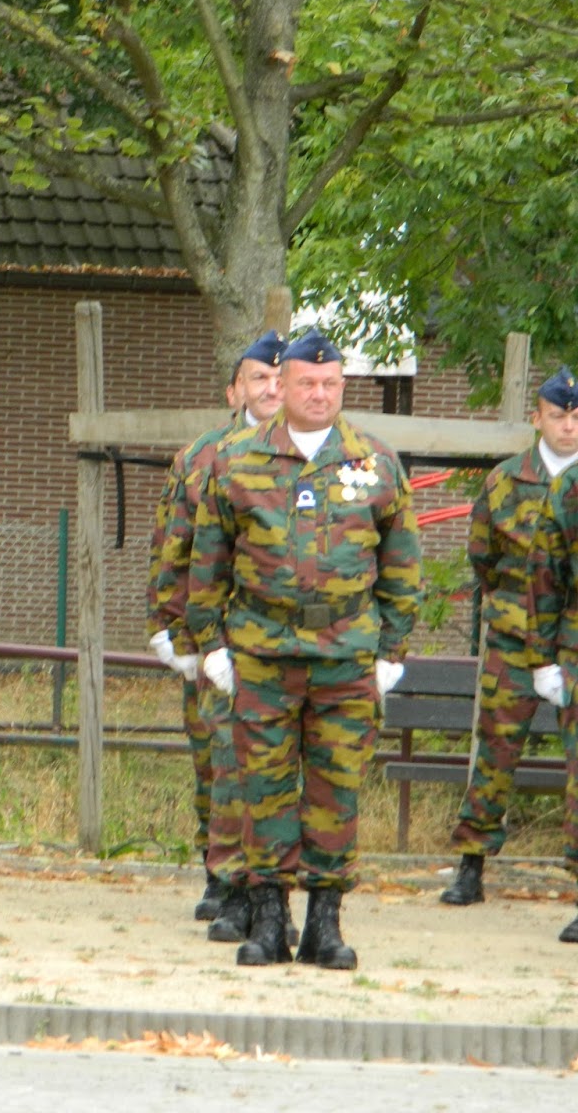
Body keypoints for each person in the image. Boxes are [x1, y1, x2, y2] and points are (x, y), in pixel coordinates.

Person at [187, 328, 421, 969]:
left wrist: (392, 650)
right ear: (280, 386)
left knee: (335, 790)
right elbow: (208, 563)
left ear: (342, 387)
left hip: (346, 654)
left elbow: (401, 562)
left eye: (331, 384)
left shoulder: (374, 463)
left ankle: (325, 922)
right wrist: (210, 646)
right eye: (306, 383)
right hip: (262, 651)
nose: (319, 394)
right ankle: (268, 919)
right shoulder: (235, 461)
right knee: (263, 791)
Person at [147, 329, 283, 928]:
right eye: (259, 378)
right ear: (235, 389)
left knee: (266, 765)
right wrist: (171, 632)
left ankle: (256, 882)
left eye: (282, 379)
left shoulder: (314, 453)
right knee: (216, 760)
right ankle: (217, 869)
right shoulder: (200, 457)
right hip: (213, 636)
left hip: (281, 641)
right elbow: (172, 548)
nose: (272, 389)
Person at [437, 368, 578, 907]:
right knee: (495, 751)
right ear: (537, 417)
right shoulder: (504, 480)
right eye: (557, 416)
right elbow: (483, 557)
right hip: (514, 640)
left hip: (572, 644)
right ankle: (471, 863)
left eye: (574, 416)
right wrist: (512, 611)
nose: (567, 426)